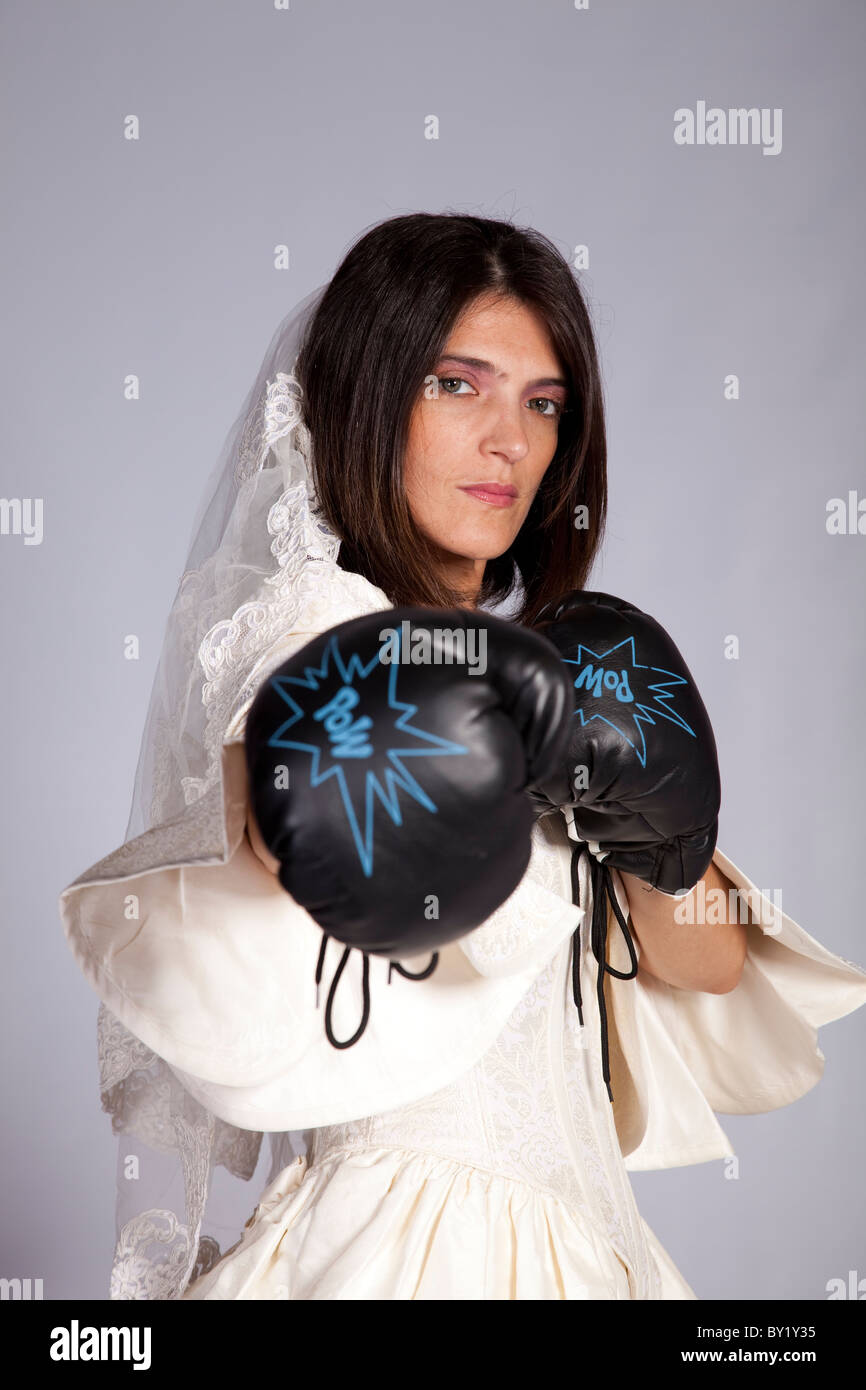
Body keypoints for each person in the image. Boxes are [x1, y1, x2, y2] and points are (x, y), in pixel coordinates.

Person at [59, 212, 866, 1301]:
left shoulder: (553, 671)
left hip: (588, 1247)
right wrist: (466, 729)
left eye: (542, 403)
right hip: (407, 1243)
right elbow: (289, 826)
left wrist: (649, 816)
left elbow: (707, 963)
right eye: (456, 384)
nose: (511, 441)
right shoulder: (308, 622)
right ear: (365, 395)